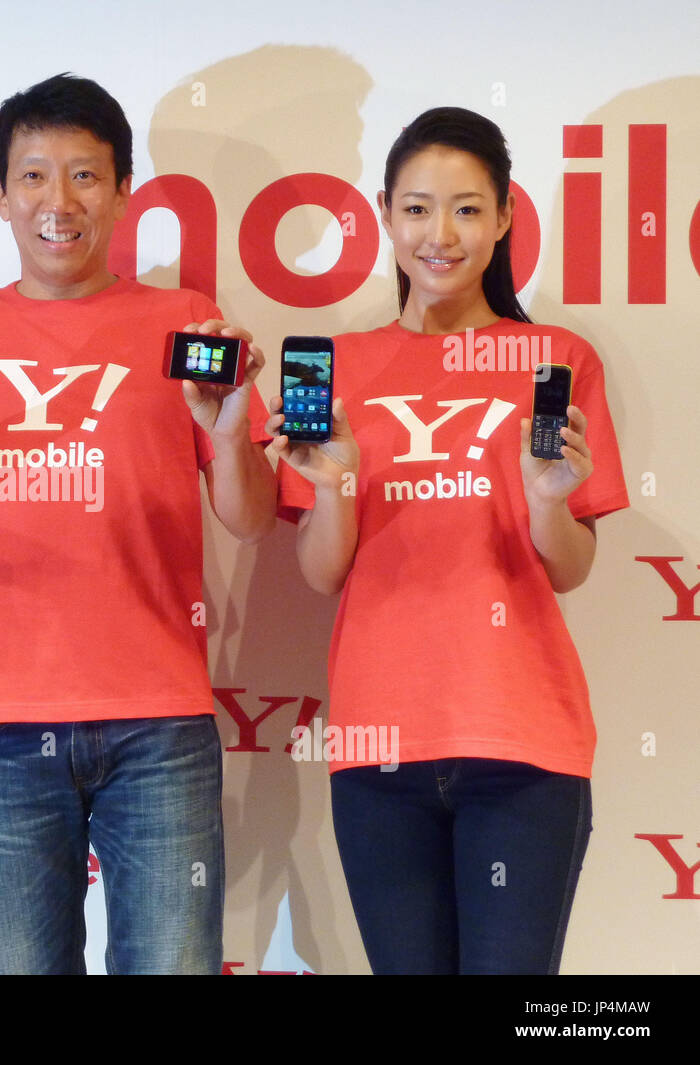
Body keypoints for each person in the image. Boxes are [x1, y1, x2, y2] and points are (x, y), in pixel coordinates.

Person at [0, 73, 275, 974]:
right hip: (3, 724)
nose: (57, 202)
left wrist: (229, 433)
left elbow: (248, 515)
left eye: (83, 176)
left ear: (121, 193)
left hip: (160, 722)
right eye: (32, 176)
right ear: (0, 195)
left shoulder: (185, 324)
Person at [271, 106, 629, 974]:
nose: (442, 234)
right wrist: (337, 483)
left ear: (506, 219)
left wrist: (548, 498)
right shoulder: (338, 367)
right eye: (419, 208)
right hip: (378, 746)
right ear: (386, 215)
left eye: (468, 209)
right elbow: (323, 573)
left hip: (523, 745)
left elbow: (570, 569)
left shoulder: (556, 360)